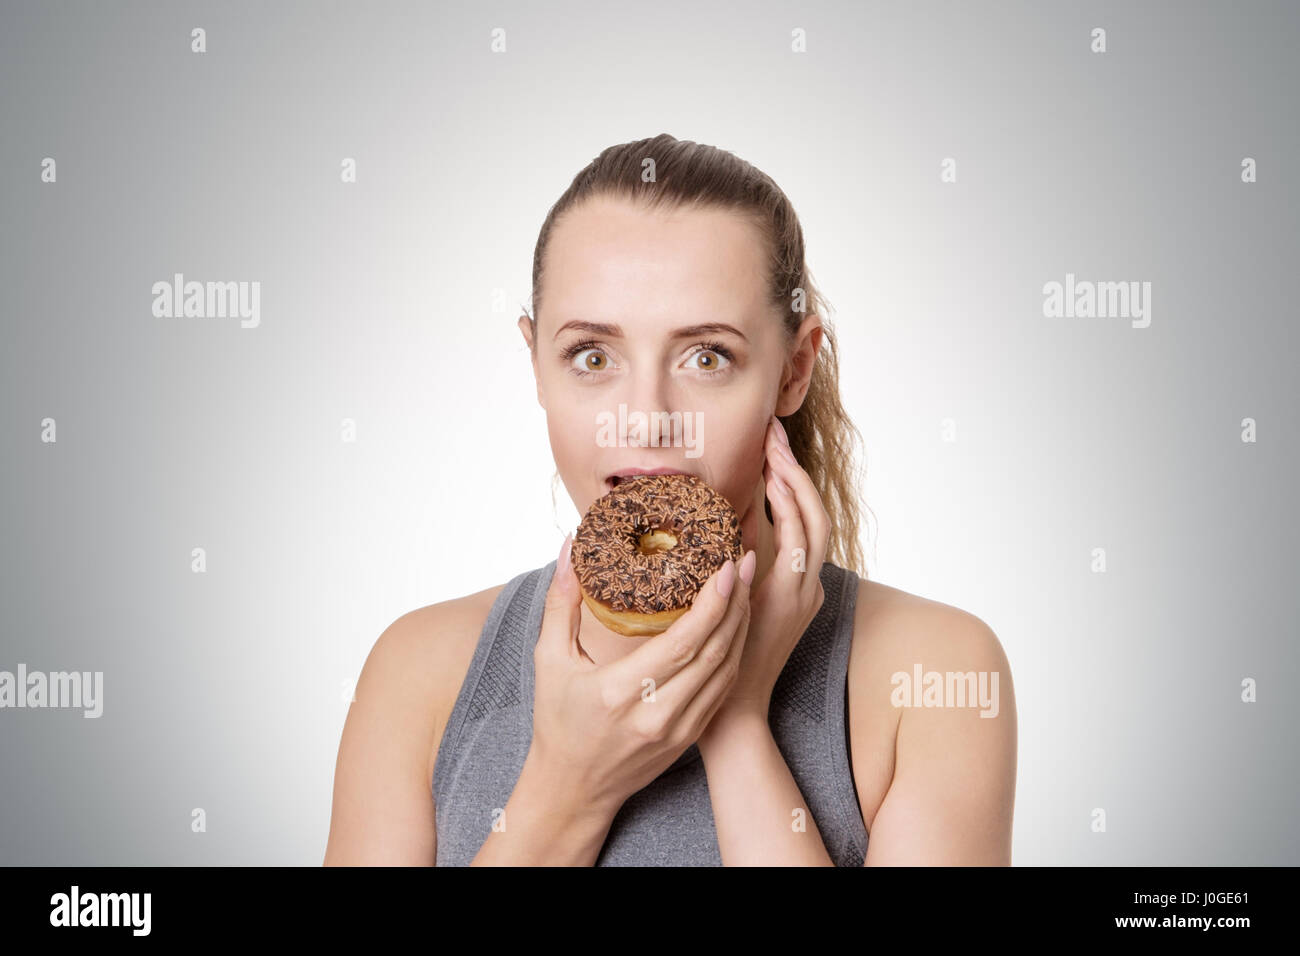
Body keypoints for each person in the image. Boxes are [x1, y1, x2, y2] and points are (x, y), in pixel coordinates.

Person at [324, 134, 1017, 866]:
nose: (647, 417)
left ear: (793, 370)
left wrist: (737, 720)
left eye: (706, 357)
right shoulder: (422, 671)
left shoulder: (934, 674)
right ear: (536, 367)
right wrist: (568, 787)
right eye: (592, 357)